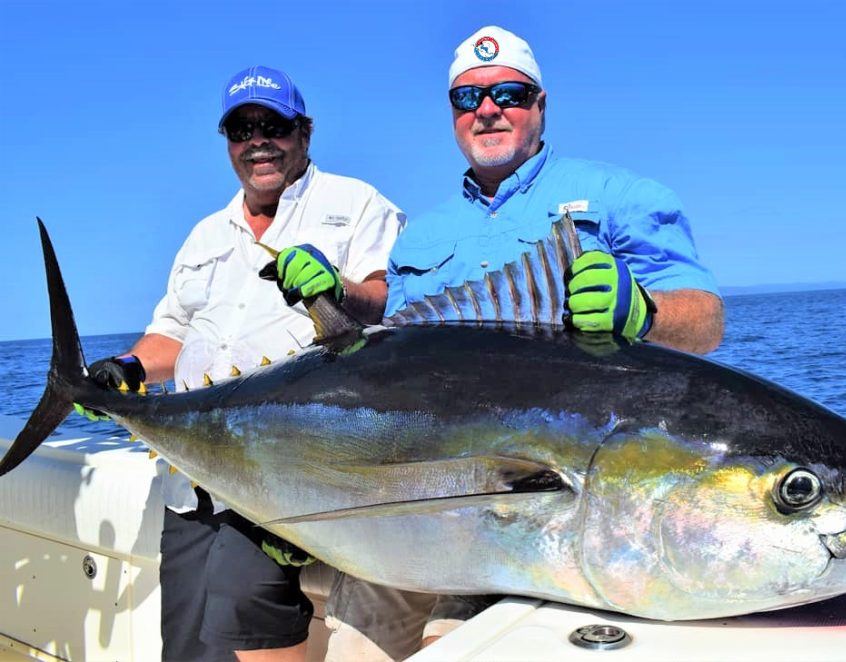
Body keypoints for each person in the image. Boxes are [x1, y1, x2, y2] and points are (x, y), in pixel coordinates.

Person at [380, 24, 725, 652]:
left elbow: (705, 321)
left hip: (553, 511)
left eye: (508, 94)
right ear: (453, 116)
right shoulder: (419, 235)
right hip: (412, 503)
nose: (488, 110)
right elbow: (390, 362)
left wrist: (642, 309)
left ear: (540, 105)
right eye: (468, 99)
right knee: (353, 645)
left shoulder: (622, 197)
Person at [77, 65, 405, 662]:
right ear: (228, 142)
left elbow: (393, 304)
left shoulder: (356, 204)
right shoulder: (205, 234)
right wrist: (125, 369)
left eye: (273, 125)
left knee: (250, 625)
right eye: (241, 128)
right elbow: (172, 334)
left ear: (304, 133)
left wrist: (338, 289)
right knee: (185, 646)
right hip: (192, 480)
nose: (258, 140)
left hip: (289, 471)